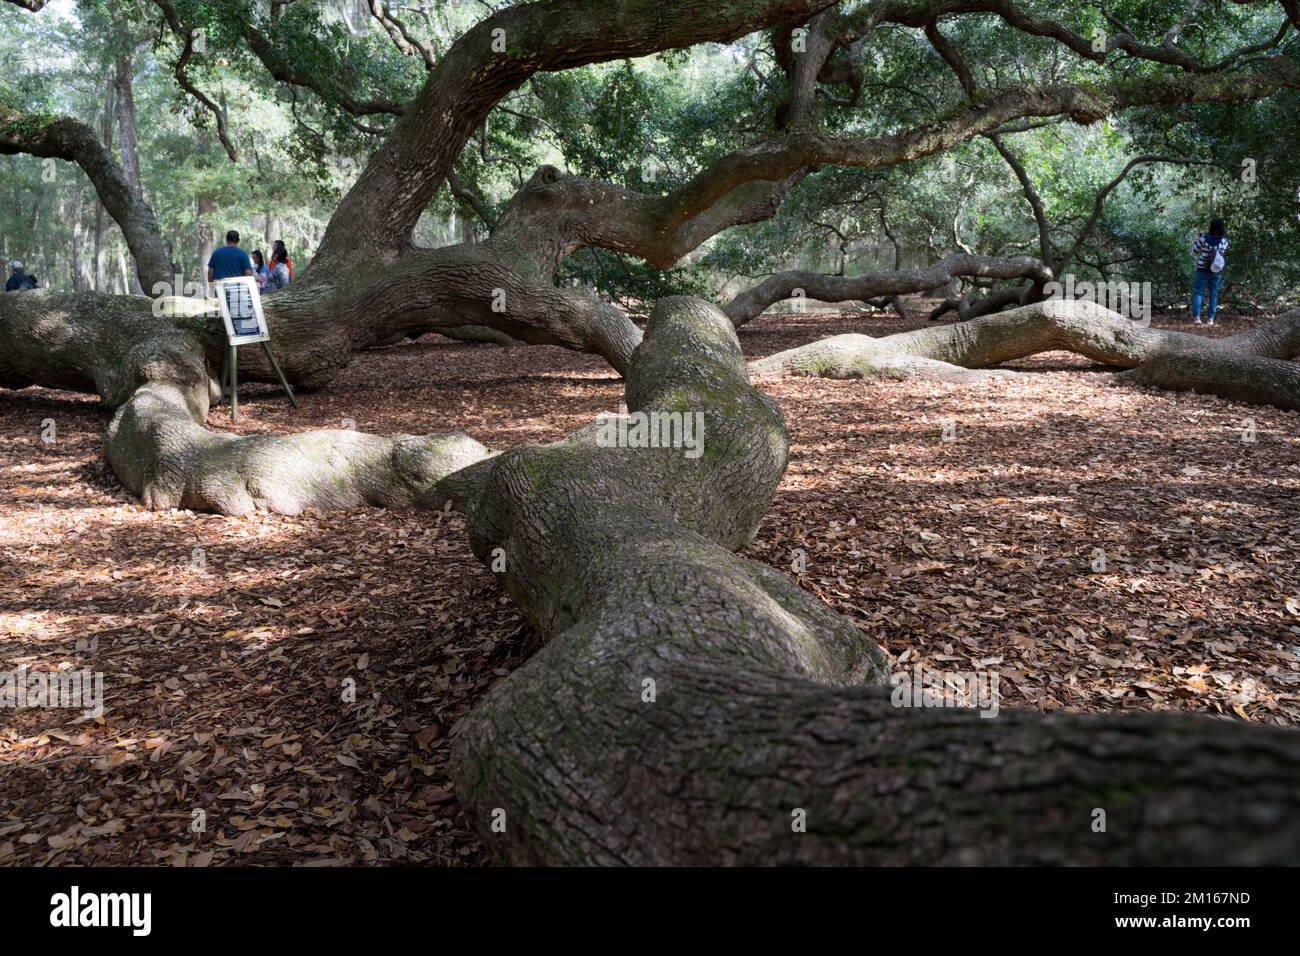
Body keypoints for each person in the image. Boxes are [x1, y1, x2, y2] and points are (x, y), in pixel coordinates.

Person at [1190, 217, 1228, 326]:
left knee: (1198, 293)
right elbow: (1221, 254)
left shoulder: (1203, 239)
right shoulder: (1224, 241)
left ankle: (1197, 318)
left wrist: (1196, 241)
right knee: (1213, 294)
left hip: (1202, 269)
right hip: (1216, 271)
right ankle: (1210, 319)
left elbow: (1195, 251)